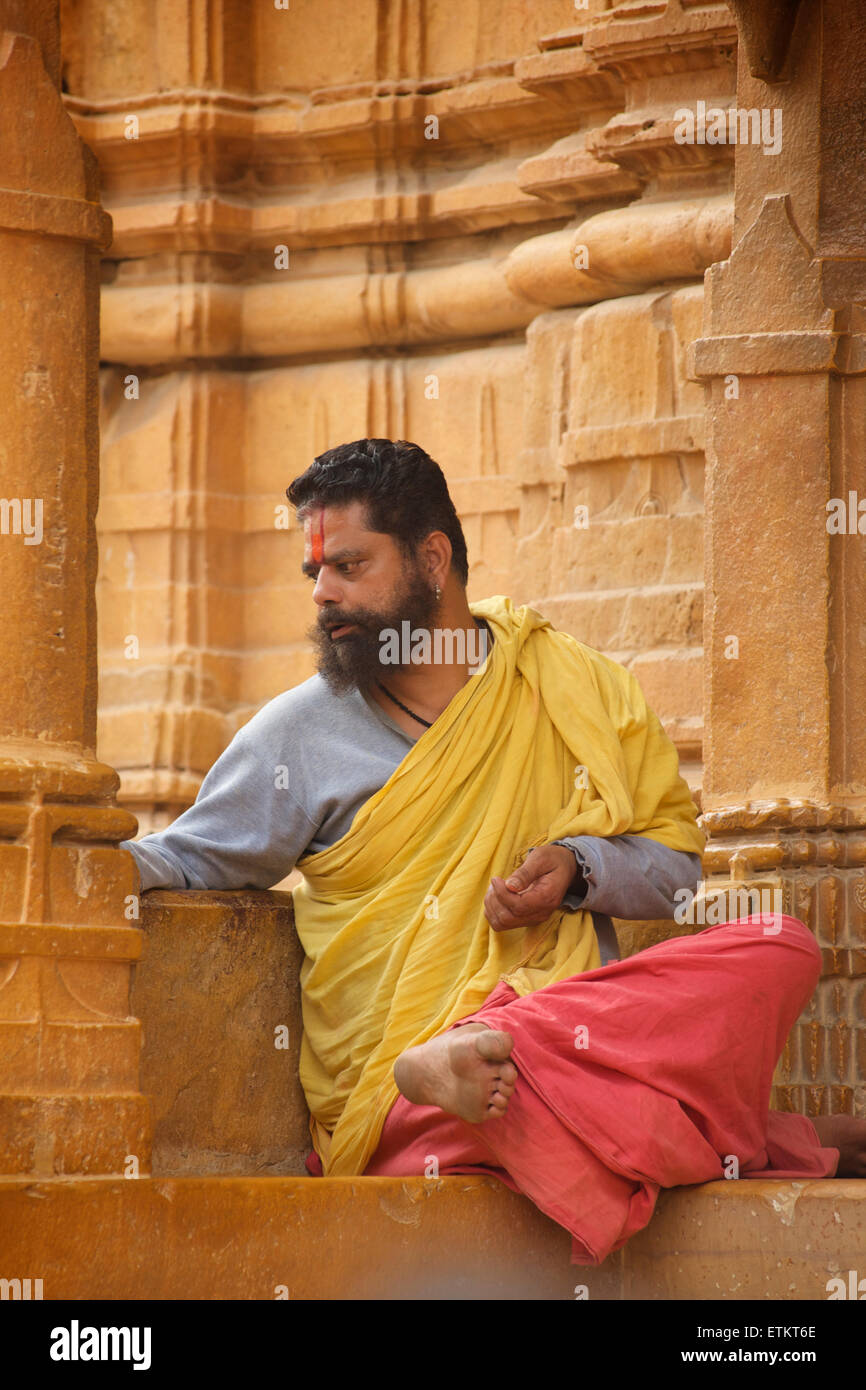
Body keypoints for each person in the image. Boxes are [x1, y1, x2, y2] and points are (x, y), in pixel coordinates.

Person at [122, 437, 865, 1266]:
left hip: (544, 1042)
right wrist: (83, 857)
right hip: (410, 1101)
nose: (325, 594)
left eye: (350, 566)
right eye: (315, 573)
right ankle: (770, 1139)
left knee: (778, 946)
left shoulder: (572, 684)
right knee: (524, 1099)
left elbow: (676, 874)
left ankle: (494, 1057)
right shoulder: (296, 733)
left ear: (433, 559)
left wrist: (579, 869)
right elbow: (190, 856)